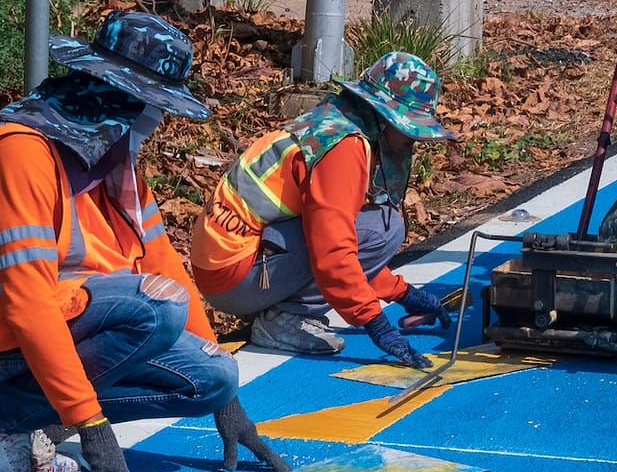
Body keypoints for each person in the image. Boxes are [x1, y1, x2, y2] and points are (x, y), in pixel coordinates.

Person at [0, 11, 289, 472]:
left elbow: (162, 262)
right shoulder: (21, 155)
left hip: (52, 324)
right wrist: (92, 429)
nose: (154, 122)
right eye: (151, 106)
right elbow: (29, 305)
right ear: (115, 95)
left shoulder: (110, 161)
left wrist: (228, 402)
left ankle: (36, 415)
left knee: (214, 376)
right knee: (155, 311)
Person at [190, 51, 458, 364]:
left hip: (226, 266)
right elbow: (334, 251)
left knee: (367, 229)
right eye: (411, 131)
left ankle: (282, 310)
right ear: (387, 119)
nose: (415, 142)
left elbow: (342, 242)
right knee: (385, 228)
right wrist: (376, 324)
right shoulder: (345, 148)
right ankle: (284, 319)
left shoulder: (334, 121)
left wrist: (403, 294)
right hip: (237, 277)